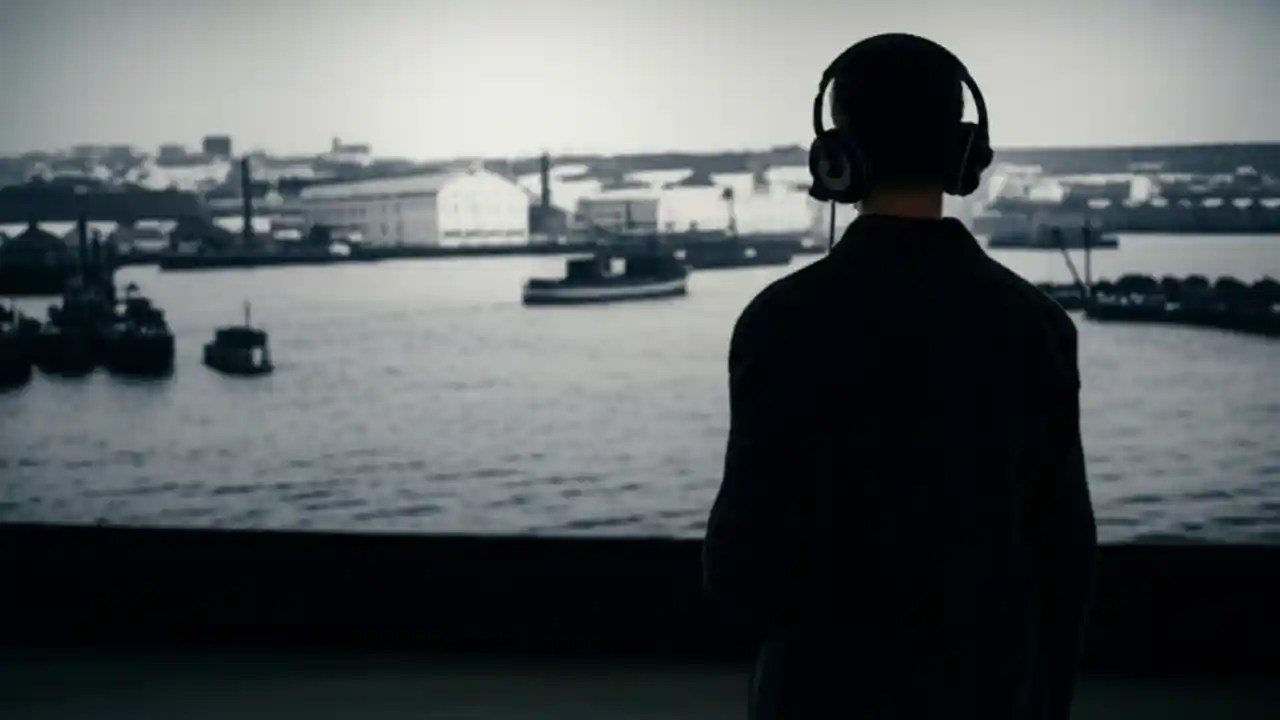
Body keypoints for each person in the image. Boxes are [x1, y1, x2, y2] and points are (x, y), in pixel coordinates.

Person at [702, 33, 1098, 720]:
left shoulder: (780, 320)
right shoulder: (1038, 324)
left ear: (837, 161)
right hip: (990, 688)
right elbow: (1065, 554)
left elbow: (742, 571)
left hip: (820, 691)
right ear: (964, 155)